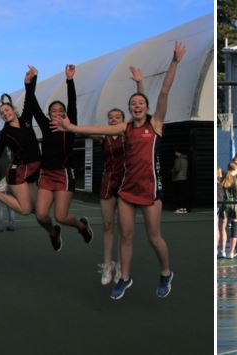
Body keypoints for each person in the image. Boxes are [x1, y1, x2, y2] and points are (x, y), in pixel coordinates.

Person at [53, 41, 184, 300]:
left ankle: (165, 272)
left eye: (141, 102)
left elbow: (165, 90)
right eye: (133, 103)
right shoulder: (125, 128)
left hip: (150, 190)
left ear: (146, 107)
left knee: (154, 238)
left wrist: (174, 62)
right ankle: (124, 278)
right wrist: (72, 127)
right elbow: (98, 129)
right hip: (127, 189)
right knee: (125, 235)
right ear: (129, 109)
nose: (137, 105)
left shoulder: (156, 124)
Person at [23, 65, 93, 252]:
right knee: (41, 215)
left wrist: (69, 80)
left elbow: (72, 102)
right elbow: (33, 104)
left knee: (61, 216)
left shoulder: (70, 126)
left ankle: (82, 226)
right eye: (53, 110)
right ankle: (53, 231)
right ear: (49, 114)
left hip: (63, 174)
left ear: (65, 113)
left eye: (61, 110)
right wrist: (30, 83)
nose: (57, 112)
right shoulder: (46, 126)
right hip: (46, 175)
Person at [99, 67, 147, 284]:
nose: (114, 119)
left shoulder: (129, 131)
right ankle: (107, 264)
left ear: (123, 119)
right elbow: (84, 130)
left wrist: (139, 83)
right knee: (108, 225)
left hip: (126, 181)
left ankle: (121, 265)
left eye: (118, 117)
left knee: (124, 229)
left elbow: (141, 106)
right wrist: (68, 126)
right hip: (108, 180)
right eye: (111, 117)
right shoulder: (103, 135)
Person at [0, 90, 42, 220]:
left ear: (14, 109)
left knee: (38, 209)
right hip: (18, 170)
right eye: (2, 113)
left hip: (34, 168)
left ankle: (4, 186)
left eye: (7, 110)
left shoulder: (26, 119)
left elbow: (29, 98)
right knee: (25, 210)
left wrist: (30, 82)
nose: (5, 114)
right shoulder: (4, 133)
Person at [220, 163, 237, 259]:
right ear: (236, 169)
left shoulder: (223, 178)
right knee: (234, 228)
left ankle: (223, 250)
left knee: (223, 227)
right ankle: (231, 252)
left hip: (225, 204)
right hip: (235, 204)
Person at [172, 149, 190, 214]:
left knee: (179, 194)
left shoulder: (178, 159)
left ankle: (180, 208)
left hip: (178, 178)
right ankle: (184, 208)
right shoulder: (186, 159)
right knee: (183, 194)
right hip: (184, 178)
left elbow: (176, 169)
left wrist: (172, 171)